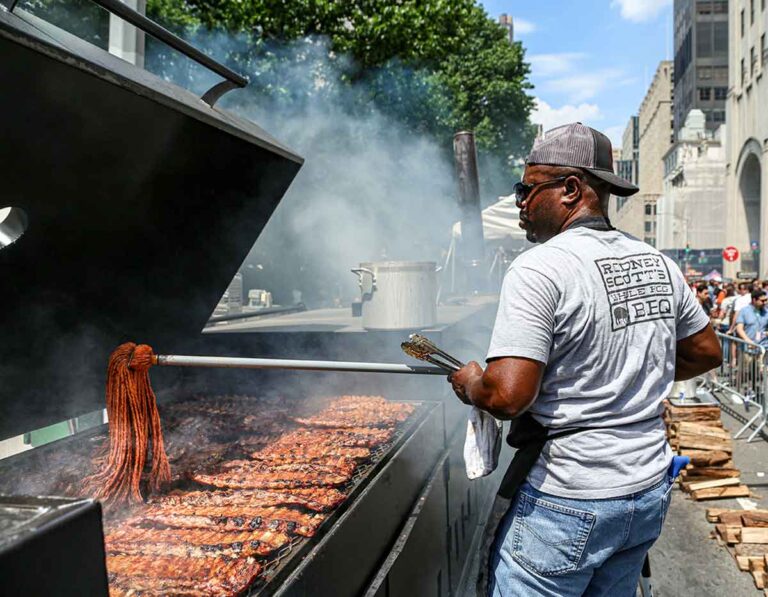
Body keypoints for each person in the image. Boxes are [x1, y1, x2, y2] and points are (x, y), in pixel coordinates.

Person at [448, 123, 722, 597]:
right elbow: (705, 352)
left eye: (527, 189)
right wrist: (628, 372)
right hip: (645, 488)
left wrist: (474, 381)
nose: (520, 202)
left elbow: (508, 396)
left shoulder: (540, 267)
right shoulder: (656, 261)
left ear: (571, 189)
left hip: (570, 497)